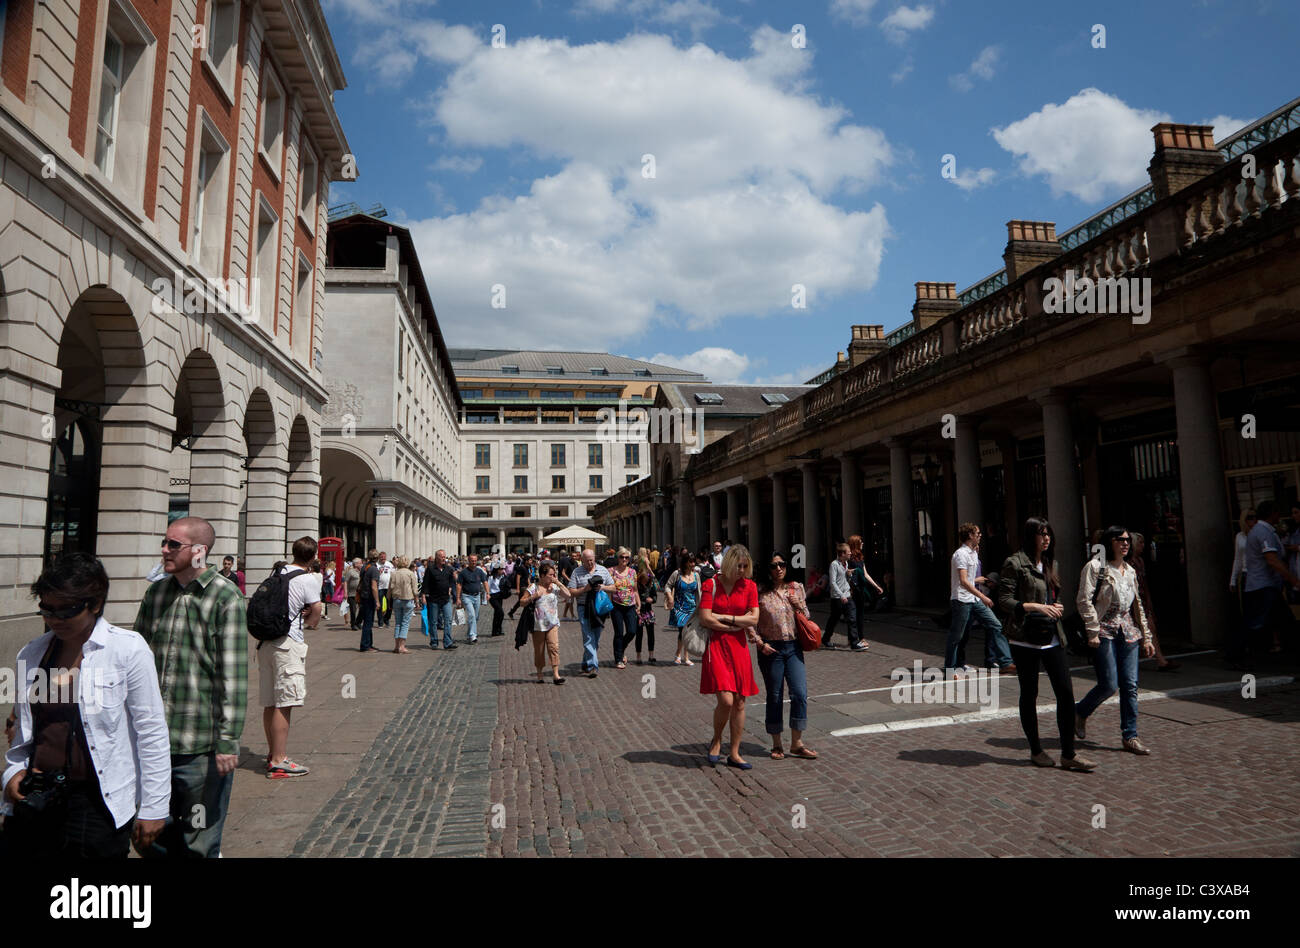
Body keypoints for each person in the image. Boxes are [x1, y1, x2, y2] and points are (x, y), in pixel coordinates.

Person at [2, 553, 170, 857]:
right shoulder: (33, 653)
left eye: (67, 611)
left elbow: (151, 732)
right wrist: (12, 774)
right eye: (47, 610)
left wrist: (154, 806)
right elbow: (23, 730)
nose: (55, 620)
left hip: (99, 803)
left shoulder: (127, 649)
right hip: (38, 796)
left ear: (94, 604)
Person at [134, 516, 246, 858]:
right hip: (152, 742)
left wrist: (227, 740)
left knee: (198, 841)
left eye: (173, 544)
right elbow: (136, 660)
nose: (164, 550)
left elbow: (233, 675)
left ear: (199, 551)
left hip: (199, 744)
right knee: (150, 836)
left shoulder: (225, 597)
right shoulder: (157, 593)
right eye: (164, 542)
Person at [997, 518, 1096, 771]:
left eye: (1048, 534)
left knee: (1065, 693)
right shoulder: (1015, 562)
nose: (1046, 538)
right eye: (1041, 534)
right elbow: (1004, 600)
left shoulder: (1052, 563)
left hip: (1053, 636)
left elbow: (1052, 595)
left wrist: (1056, 607)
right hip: (1025, 637)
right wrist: (1035, 607)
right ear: (1030, 536)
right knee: (1029, 694)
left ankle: (1069, 754)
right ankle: (1036, 750)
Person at [1075, 526, 1155, 755]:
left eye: (1128, 540)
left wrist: (1146, 637)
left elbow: (1137, 605)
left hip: (1128, 631)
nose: (1125, 543)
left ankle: (1130, 736)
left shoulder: (1129, 570)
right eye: (1120, 539)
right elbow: (1083, 600)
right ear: (1109, 542)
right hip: (1104, 630)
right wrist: (1092, 630)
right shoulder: (1095, 567)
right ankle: (1080, 712)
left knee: (1130, 685)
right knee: (1109, 684)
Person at [260, 537, 320, 779]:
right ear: (313, 556)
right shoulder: (308, 578)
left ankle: (273, 753)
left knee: (271, 702)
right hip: (287, 643)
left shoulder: (278, 571)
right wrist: (309, 622)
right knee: (285, 702)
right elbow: (315, 612)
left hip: (265, 642)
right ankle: (279, 760)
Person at [698, 545, 761, 769]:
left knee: (740, 702)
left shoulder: (749, 586)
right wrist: (736, 623)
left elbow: (754, 619)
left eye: (745, 566)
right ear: (728, 564)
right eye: (739, 566)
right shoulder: (711, 584)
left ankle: (734, 752)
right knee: (726, 699)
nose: (742, 570)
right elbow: (705, 618)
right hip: (717, 645)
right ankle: (716, 739)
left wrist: (726, 618)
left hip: (739, 647)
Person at [756, 551, 817, 761]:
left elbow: (807, 616)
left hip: (793, 647)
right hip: (770, 648)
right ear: (768, 569)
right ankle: (777, 744)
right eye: (774, 566)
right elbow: (750, 622)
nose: (779, 568)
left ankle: (797, 743)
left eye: (782, 564)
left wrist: (797, 604)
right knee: (775, 695)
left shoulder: (796, 587)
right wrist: (760, 643)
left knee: (799, 693)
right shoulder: (760, 592)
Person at [1235, 500, 1300, 667]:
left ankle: (1239, 652)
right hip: (1263, 585)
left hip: (1265, 584)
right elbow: (1271, 559)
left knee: (1279, 620)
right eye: (1277, 512)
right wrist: (1292, 578)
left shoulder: (1263, 531)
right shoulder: (1263, 532)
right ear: (1272, 514)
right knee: (1256, 622)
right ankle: (1238, 652)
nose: (1279, 516)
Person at [946, 523, 1015, 677]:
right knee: (957, 636)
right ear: (970, 535)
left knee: (996, 625)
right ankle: (950, 669)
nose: (980, 535)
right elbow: (963, 581)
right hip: (961, 600)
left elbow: (970, 578)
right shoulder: (960, 554)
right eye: (977, 533)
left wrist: (980, 586)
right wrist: (982, 596)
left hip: (973, 599)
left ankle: (1005, 662)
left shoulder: (973, 553)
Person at [1129, 533, 1178, 671]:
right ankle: (1158, 660)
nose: (1143, 546)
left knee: (1150, 628)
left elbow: (1144, 584)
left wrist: (1149, 602)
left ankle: (1160, 660)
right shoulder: (1128, 563)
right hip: (1132, 601)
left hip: (1142, 599)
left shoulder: (1140, 561)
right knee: (1139, 631)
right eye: (1140, 543)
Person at [519, 562, 573, 684]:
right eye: (550, 575)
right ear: (542, 575)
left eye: (554, 575)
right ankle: (539, 674)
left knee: (554, 647)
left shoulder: (554, 587)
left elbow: (568, 595)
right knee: (539, 650)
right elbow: (522, 602)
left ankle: (556, 675)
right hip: (538, 625)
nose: (552, 577)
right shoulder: (533, 587)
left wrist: (558, 582)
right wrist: (533, 597)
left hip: (552, 623)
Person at [568, 549, 614, 677]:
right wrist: (585, 589)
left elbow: (614, 587)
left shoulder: (603, 570)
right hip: (584, 607)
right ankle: (593, 666)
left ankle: (585, 663)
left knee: (596, 638)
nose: (590, 562)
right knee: (588, 637)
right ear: (581, 560)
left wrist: (602, 587)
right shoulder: (576, 572)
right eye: (587, 560)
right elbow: (571, 591)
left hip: (600, 608)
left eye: (591, 560)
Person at [824, 543, 866, 651]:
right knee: (834, 619)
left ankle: (854, 643)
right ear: (842, 553)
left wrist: (849, 575)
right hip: (837, 598)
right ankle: (825, 638)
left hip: (848, 595)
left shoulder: (846, 564)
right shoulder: (834, 565)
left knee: (852, 618)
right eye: (848, 552)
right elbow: (833, 582)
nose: (850, 553)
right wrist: (841, 595)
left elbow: (844, 580)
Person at [420, 550, 459, 650]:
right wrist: (423, 596)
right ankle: (434, 641)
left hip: (446, 598)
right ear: (436, 558)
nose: (443, 558)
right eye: (441, 556)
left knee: (448, 620)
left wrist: (451, 588)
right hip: (433, 599)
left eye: (444, 556)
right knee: (433, 621)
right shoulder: (430, 569)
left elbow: (452, 581)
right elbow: (425, 583)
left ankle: (448, 642)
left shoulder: (449, 568)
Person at [608, 548, 640, 669]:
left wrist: (639, 604)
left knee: (632, 631)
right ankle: (618, 659)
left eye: (627, 557)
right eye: (622, 557)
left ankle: (621, 648)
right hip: (616, 605)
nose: (624, 559)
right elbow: (606, 585)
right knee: (619, 633)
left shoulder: (632, 572)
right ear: (618, 558)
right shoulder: (611, 571)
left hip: (630, 605)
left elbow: (635, 589)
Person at [846, 534, 884, 635]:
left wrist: (876, 586)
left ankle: (859, 637)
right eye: (860, 542)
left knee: (860, 614)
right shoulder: (848, 558)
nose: (862, 543)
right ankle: (855, 638)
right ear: (855, 544)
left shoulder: (860, 558)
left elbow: (866, 574)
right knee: (853, 615)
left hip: (860, 588)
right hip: (851, 590)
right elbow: (844, 572)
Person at [668, 553, 701, 666]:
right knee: (683, 631)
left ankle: (683, 655)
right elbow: (668, 586)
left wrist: (700, 606)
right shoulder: (676, 574)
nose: (693, 564)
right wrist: (670, 597)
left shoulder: (696, 576)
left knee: (688, 632)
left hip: (692, 608)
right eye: (690, 562)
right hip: (679, 607)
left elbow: (699, 592)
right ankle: (680, 654)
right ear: (685, 562)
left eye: (694, 562)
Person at [456, 554, 488, 645]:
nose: (473, 562)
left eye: (475, 560)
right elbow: (459, 585)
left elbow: (485, 582)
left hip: (477, 596)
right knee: (472, 616)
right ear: (468, 561)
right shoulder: (463, 572)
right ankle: (473, 635)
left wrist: (488, 593)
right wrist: (458, 598)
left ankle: (469, 634)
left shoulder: (480, 571)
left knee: (476, 617)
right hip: (466, 596)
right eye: (472, 560)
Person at [389, 556, 419, 653]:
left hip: (396, 599)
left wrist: (388, 598)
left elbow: (390, 588)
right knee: (405, 623)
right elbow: (415, 589)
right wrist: (417, 600)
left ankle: (396, 646)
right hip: (407, 599)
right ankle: (402, 646)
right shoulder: (411, 574)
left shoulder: (394, 573)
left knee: (398, 623)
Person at [357, 551, 381, 652]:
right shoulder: (374, 569)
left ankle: (369, 644)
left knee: (368, 622)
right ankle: (365, 645)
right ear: (377, 558)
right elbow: (374, 587)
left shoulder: (365, 567)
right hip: (369, 598)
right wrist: (377, 601)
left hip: (363, 596)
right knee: (368, 623)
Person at [635, 564, 658, 665]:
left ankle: (651, 655)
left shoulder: (651, 585)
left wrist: (652, 600)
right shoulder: (637, 586)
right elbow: (634, 597)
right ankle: (638, 656)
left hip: (649, 612)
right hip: (639, 612)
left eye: (646, 580)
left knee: (651, 634)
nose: (645, 582)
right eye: (643, 580)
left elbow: (655, 597)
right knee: (639, 635)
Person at [488, 564, 508, 636]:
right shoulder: (491, 578)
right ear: (497, 570)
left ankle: (496, 630)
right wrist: (487, 595)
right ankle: (496, 629)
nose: (502, 571)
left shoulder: (502, 577)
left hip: (500, 596)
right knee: (501, 612)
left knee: (497, 614)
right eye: (501, 569)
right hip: (493, 596)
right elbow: (488, 587)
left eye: (503, 569)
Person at [375, 552, 394, 628]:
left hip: (388, 587)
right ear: (379, 558)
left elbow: (393, 574)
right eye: (381, 558)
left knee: (390, 605)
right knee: (379, 605)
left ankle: (386, 619)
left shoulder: (389, 564)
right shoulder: (376, 565)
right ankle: (380, 622)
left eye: (384, 558)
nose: (383, 559)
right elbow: (374, 576)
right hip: (379, 587)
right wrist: (378, 573)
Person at [344, 557, 362, 631]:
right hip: (352, 593)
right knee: (353, 610)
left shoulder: (361, 571)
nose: (361, 564)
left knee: (362, 609)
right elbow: (345, 582)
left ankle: (358, 622)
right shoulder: (350, 571)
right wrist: (345, 592)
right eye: (360, 563)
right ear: (356, 564)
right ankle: (353, 624)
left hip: (360, 593)